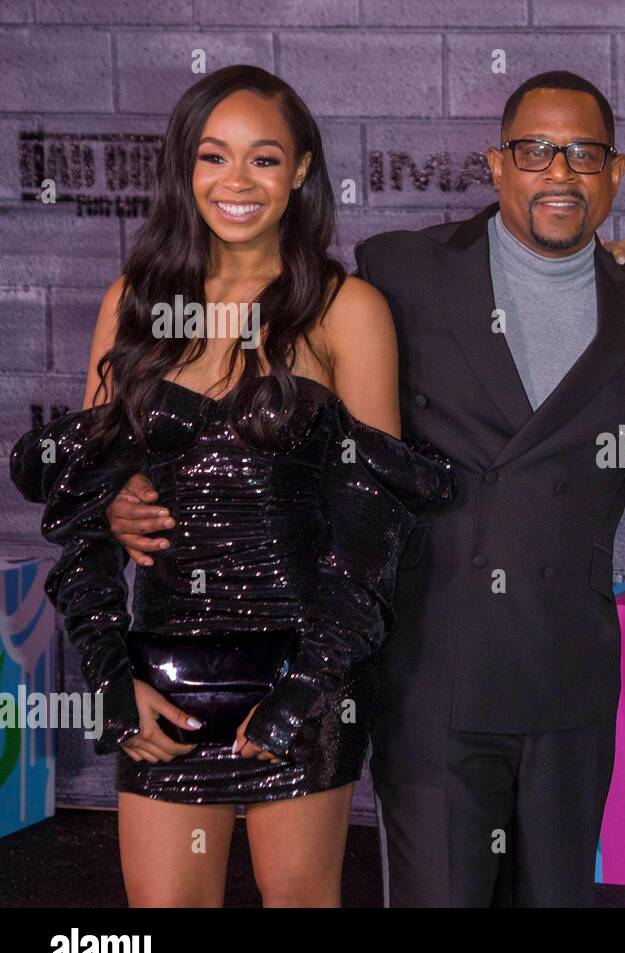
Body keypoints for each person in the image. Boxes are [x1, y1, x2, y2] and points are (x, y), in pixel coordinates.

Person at [103, 70, 625, 907]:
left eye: (582, 154)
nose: (558, 172)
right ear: (495, 165)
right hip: (431, 672)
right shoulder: (402, 273)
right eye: (534, 151)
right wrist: (125, 489)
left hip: (569, 677)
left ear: (616, 172)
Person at [9, 65, 455, 907]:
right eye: (214, 157)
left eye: (265, 159)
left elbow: (372, 526)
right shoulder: (133, 305)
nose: (237, 183)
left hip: (302, 669)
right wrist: (110, 677)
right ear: (184, 169)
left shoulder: (344, 308)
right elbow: (80, 514)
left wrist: (307, 687)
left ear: (304, 172)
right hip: (162, 678)